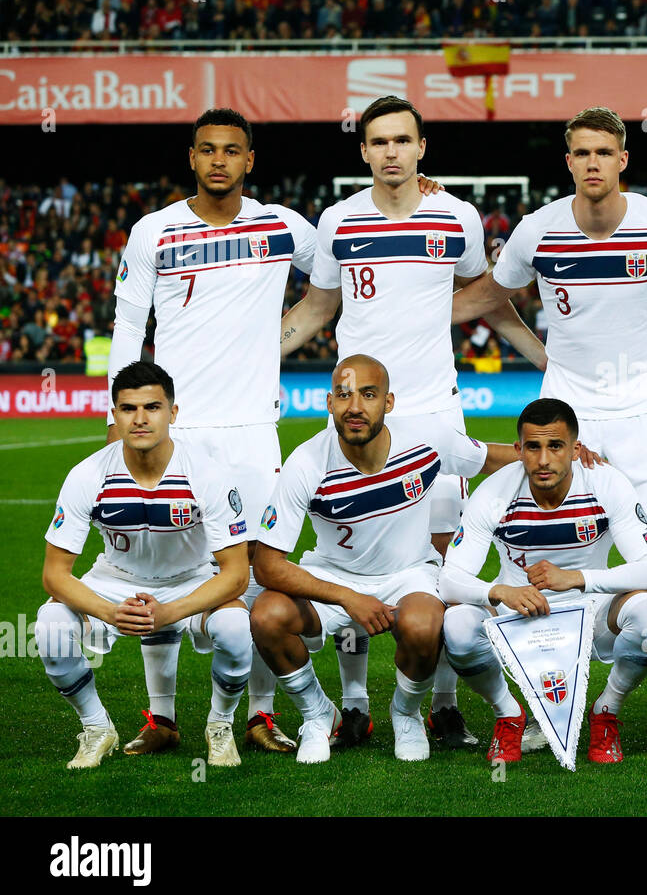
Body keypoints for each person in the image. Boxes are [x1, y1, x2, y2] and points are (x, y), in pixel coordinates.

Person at [449, 106, 647, 752]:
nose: (592, 163)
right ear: (569, 162)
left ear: (622, 159)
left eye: (602, 153)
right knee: (539, 560)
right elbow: (484, 298)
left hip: (644, 412)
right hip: (564, 417)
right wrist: (409, 314)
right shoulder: (538, 231)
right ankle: (538, 708)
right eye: (580, 153)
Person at [279, 96, 546, 749]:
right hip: (357, 409)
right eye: (379, 141)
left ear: (422, 147)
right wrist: (259, 359)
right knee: (352, 548)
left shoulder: (456, 217)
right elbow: (316, 306)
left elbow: (490, 301)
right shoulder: (337, 221)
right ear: (363, 151)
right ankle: (352, 704)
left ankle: (442, 705)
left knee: (441, 559)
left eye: (403, 140)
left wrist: (548, 359)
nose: (392, 151)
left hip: (431, 409)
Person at [108, 108, 315, 756]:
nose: (219, 160)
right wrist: (121, 426)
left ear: (250, 160)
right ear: (191, 158)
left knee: (257, 578)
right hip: (178, 431)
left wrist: (414, 188)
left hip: (254, 432)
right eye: (207, 149)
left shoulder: (283, 226)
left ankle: (256, 715)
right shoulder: (154, 232)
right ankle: (161, 718)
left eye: (232, 150)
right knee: (161, 568)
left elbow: (338, 267)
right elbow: (125, 328)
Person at [249, 355, 516, 763]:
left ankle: (405, 714)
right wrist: (347, 597)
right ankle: (317, 714)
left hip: (409, 574)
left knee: (426, 624)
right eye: (344, 395)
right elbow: (267, 565)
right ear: (329, 403)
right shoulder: (305, 463)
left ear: (388, 402)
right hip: (333, 576)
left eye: (368, 395)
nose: (355, 406)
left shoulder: (426, 439)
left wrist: (561, 454)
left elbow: (490, 458)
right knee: (267, 616)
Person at [38, 361, 252, 769]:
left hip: (190, 580)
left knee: (235, 627)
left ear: (173, 413)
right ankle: (97, 728)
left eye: (152, 407)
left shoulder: (207, 474)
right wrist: (109, 612)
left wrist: (170, 612)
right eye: (128, 409)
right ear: (114, 415)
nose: (139, 419)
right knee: (50, 626)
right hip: (113, 582)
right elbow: (54, 573)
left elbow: (237, 573)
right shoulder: (88, 475)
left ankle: (219, 725)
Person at [439, 398, 647, 764]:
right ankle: (508, 715)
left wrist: (578, 579)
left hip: (591, 613)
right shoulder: (496, 493)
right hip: (517, 613)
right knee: (457, 623)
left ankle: (606, 711)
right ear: (518, 450)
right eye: (533, 447)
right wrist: (500, 591)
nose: (544, 460)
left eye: (555, 446)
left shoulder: (606, 483)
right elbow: (448, 580)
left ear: (575, 449)